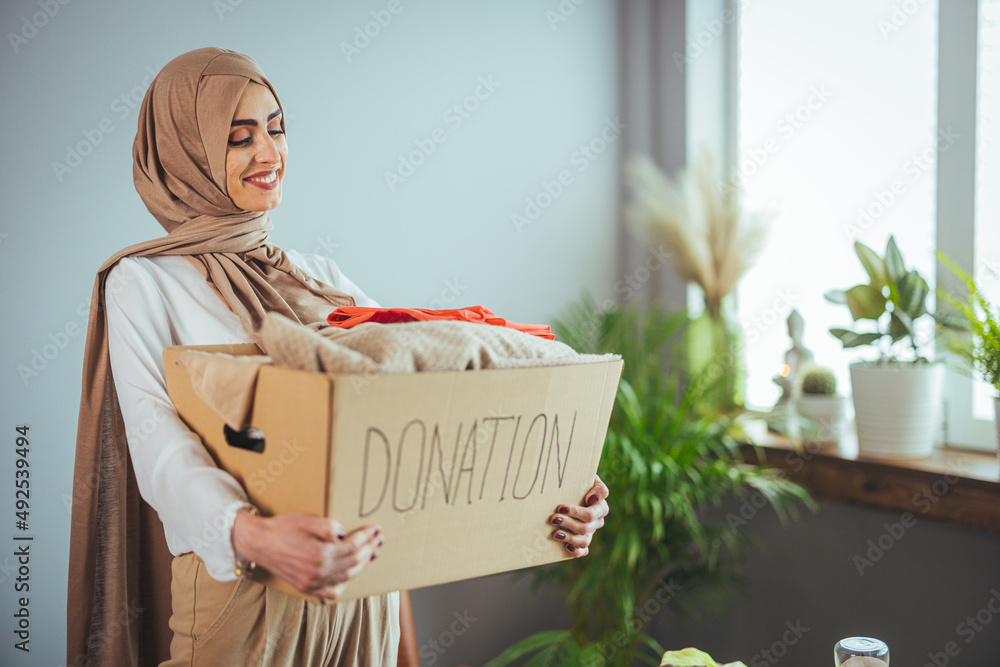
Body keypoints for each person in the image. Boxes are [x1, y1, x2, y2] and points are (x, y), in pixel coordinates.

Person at [67, 47, 610, 667]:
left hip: (363, 585)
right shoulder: (143, 282)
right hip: (247, 588)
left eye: (277, 129)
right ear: (184, 151)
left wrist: (560, 478)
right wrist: (256, 536)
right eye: (240, 138)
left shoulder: (317, 276)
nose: (270, 154)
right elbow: (157, 442)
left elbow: (427, 395)